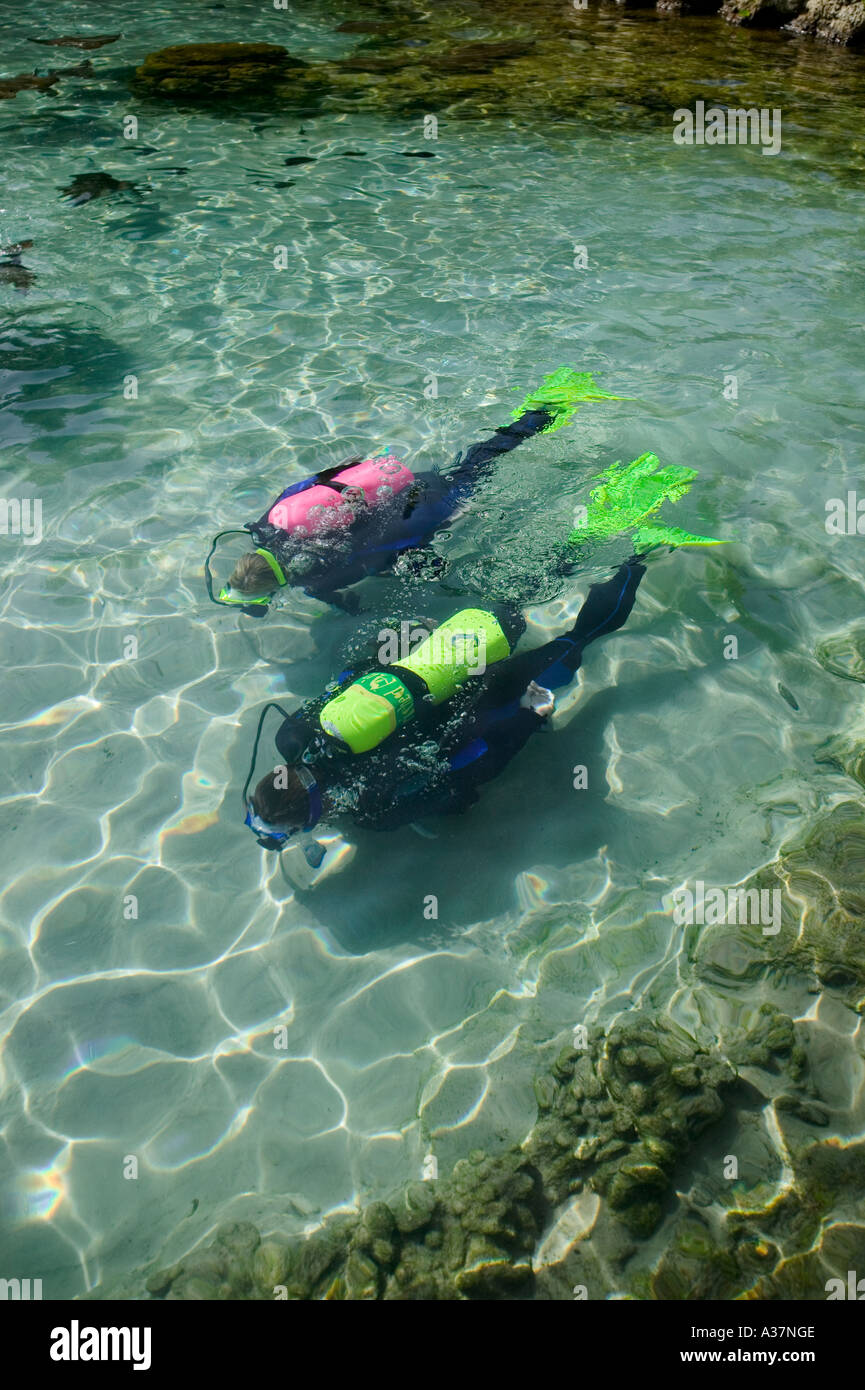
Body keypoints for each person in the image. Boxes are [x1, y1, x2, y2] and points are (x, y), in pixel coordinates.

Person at [240, 446, 723, 852]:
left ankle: (640, 552)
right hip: (445, 647)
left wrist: (530, 718)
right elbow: (350, 678)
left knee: (577, 641)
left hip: (489, 691)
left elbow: (473, 765)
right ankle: (603, 512)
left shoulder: (373, 808)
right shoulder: (294, 736)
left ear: (307, 822)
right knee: (524, 590)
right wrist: (414, 640)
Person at [204, 367, 621, 616]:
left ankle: (547, 412)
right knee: (474, 458)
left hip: (425, 510)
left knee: (482, 467)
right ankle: (540, 409)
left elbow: (376, 561)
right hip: (396, 487)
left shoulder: (316, 579)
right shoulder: (272, 523)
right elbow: (317, 482)